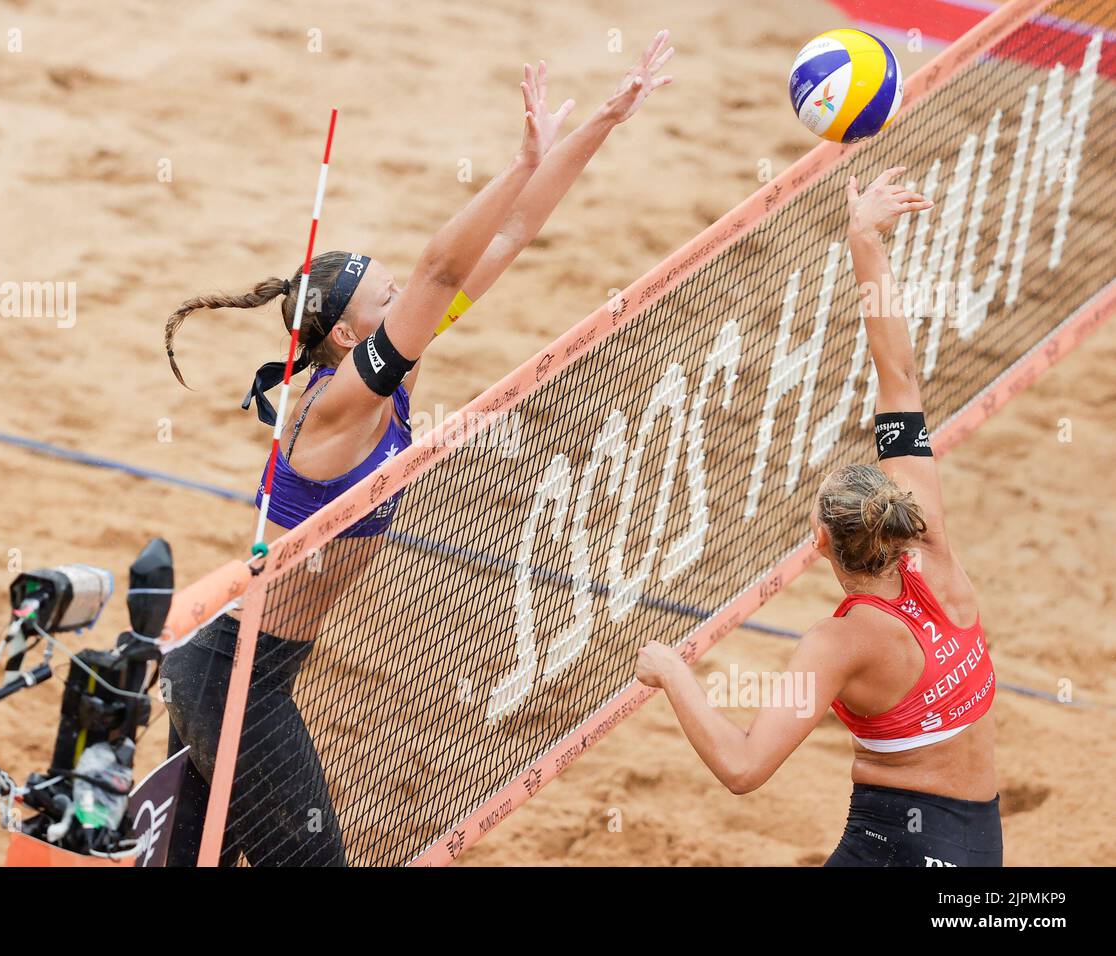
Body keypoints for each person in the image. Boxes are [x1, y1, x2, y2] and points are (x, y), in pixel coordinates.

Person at [160, 34, 676, 866]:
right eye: (384, 297)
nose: (403, 296)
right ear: (349, 335)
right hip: (234, 683)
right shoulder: (338, 405)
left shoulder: (385, 381)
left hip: (240, 667)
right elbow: (441, 265)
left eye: (395, 289)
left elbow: (505, 236)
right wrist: (516, 158)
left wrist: (604, 122)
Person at [635, 167, 1001, 867]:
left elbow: (743, 769)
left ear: (820, 543)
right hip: (979, 843)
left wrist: (672, 672)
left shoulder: (840, 644)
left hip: (894, 848)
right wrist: (866, 238)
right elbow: (899, 374)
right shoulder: (936, 561)